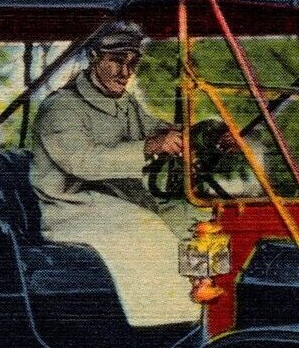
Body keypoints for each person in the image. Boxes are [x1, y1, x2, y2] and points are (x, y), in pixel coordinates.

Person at [30, 21, 202, 327]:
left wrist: (205, 136)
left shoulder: (125, 104)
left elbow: (157, 129)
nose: (126, 73)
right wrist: (149, 147)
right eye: (117, 61)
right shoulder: (60, 108)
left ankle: (202, 307)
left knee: (196, 221)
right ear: (95, 56)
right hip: (72, 211)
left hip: (120, 204)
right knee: (149, 231)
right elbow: (84, 161)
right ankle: (164, 324)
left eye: (132, 63)